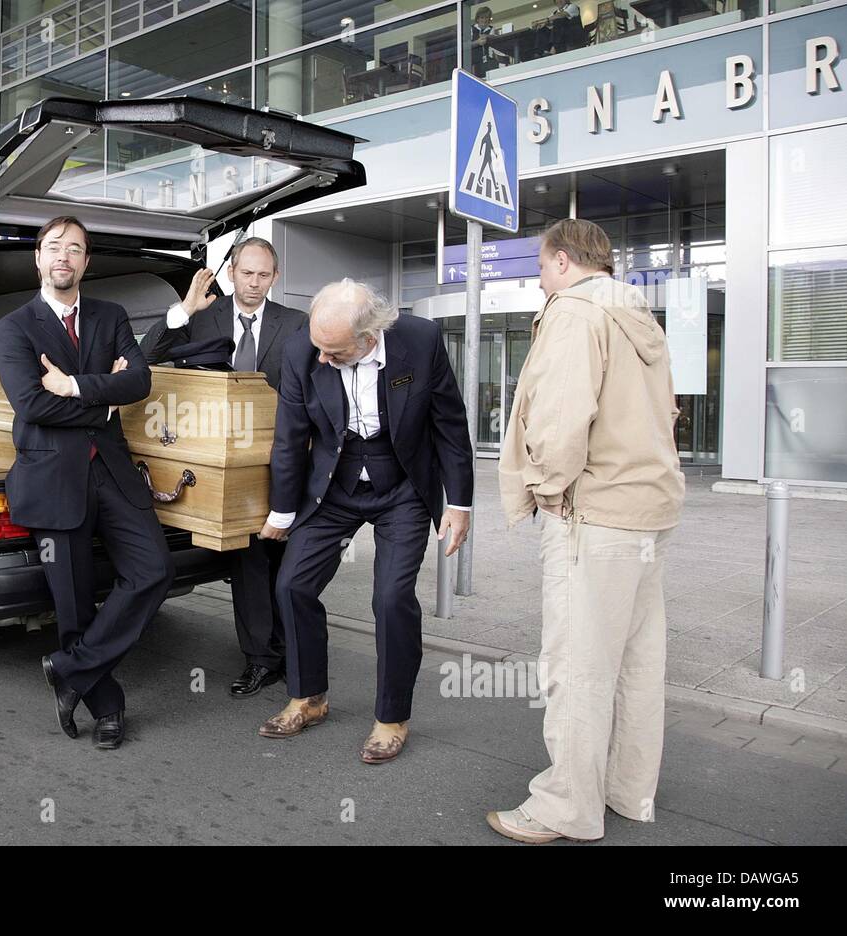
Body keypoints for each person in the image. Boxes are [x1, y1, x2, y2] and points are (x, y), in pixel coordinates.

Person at [489, 219, 685, 842]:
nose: (540, 280)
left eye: (542, 267)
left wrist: (547, 485)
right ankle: (627, 792)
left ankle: (565, 807)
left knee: (576, 667)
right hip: (645, 512)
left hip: (592, 514)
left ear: (566, 261)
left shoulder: (574, 314)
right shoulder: (636, 315)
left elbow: (562, 415)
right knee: (635, 665)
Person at [256, 280, 474, 764]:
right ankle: (308, 697)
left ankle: (392, 717)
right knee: (292, 585)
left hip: (403, 485)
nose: (322, 360)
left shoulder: (419, 340)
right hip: (334, 482)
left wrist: (459, 504)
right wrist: (282, 512)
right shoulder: (302, 350)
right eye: (319, 348)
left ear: (371, 334)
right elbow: (289, 436)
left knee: (392, 599)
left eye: (335, 352)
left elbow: (449, 424)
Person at [0, 215, 176, 750]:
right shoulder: (15, 327)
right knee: (73, 603)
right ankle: (109, 708)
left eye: (75, 248)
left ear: (86, 261)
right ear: (39, 258)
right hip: (52, 478)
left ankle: (68, 668)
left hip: (113, 470)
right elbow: (31, 403)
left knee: (153, 570)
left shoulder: (110, 315)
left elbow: (138, 380)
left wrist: (72, 385)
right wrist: (102, 399)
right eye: (54, 247)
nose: (64, 257)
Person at [141, 237, 304, 697]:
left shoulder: (296, 324)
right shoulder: (203, 318)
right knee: (248, 563)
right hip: (222, 468)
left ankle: (296, 656)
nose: (253, 283)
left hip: (281, 463)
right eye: (246, 273)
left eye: (263, 275)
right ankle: (260, 660)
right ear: (230, 272)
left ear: (275, 278)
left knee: (289, 566)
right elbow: (148, 358)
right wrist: (184, 310)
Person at [470, 6, 511, 78]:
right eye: (482, 17)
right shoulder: (471, 29)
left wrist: (488, 37)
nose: (484, 20)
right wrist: (477, 42)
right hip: (474, 64)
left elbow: (496, 46)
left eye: (486, 18)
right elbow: (464, 46)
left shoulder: (492, 30)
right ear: (477, 19)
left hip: (489, 64)